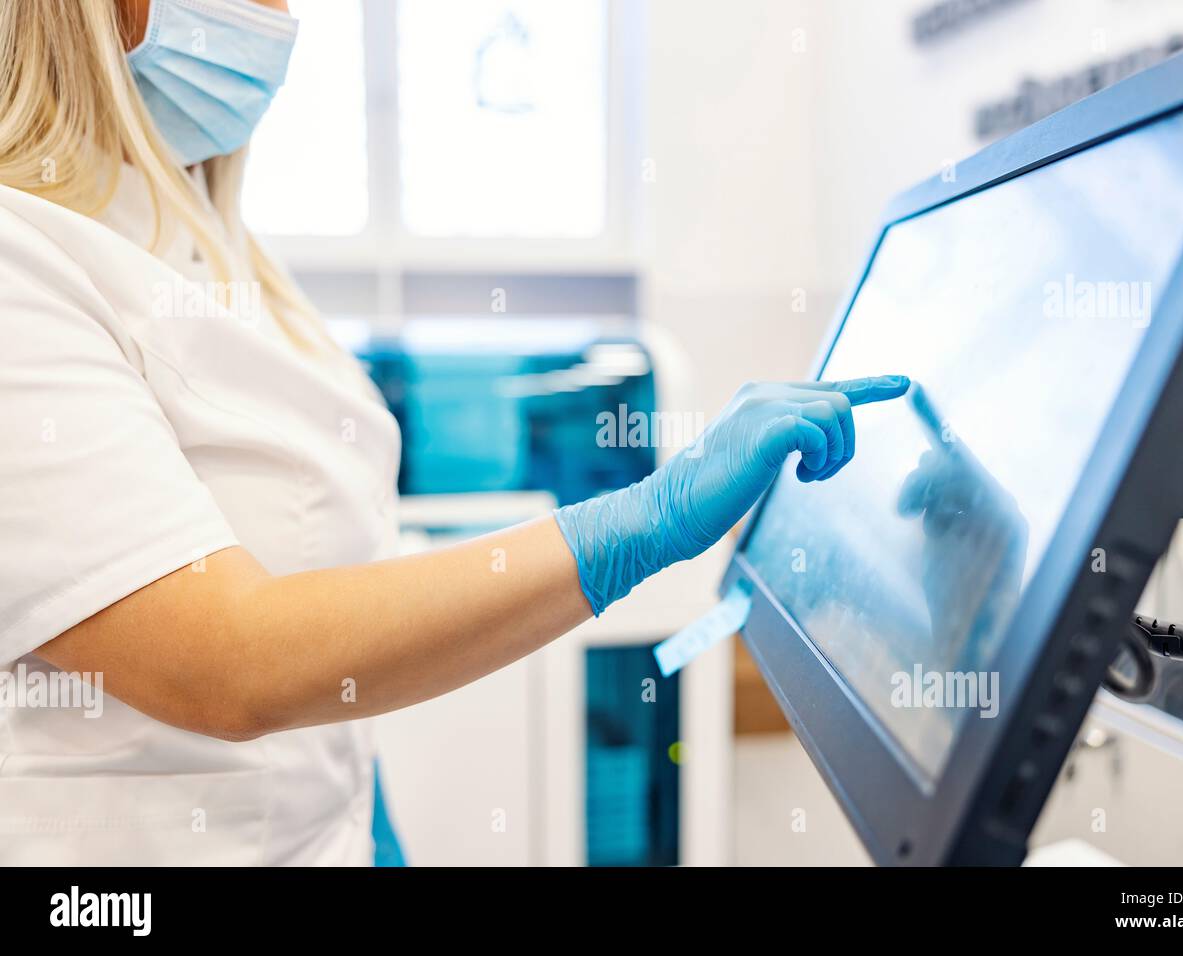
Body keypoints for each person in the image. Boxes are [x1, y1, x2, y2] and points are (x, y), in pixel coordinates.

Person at [0, 0, 908, 865]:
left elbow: (322, 603)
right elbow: (225, 661)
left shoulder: (197, 228)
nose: (280, 19)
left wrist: (365, 824)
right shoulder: (21, 256)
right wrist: (646, 519)